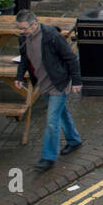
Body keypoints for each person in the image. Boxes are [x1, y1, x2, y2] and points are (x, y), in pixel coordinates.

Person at [14, 9, 83, 172]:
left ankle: (48, 158)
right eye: (20, 29)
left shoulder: (52, 36)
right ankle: (74, 140)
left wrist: (76, 81)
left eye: (24, 28)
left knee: (52, 121)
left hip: (58, 83)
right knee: (61, 112)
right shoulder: (24, 39)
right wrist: (19, 77)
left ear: (35, 24)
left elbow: (71, 58)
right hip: (42, 83)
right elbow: (24, 58)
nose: (22, 32)